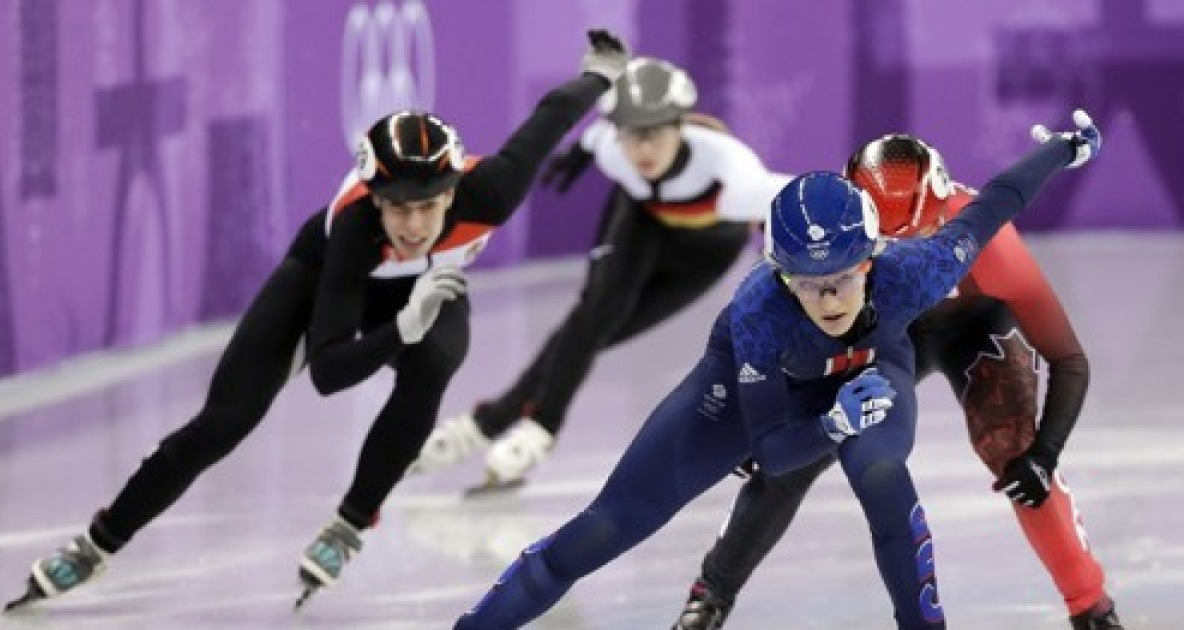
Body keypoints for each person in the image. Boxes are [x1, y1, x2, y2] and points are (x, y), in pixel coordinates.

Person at [2, 29, 631, 612]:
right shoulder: (356, 229)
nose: (413, 225)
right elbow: (328, 374)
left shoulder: (491, 190)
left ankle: (353, 520)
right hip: (325, 280)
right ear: (374, 201)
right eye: (396, 208)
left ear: (453, 192)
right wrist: (400, 330)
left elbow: (552, 117)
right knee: (224, 422)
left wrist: (600, 74)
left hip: (429, 292)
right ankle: (98, 542)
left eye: (428, 206)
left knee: (436, 362)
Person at [452, 111, 1102, 630]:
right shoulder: (757, 314)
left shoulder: (918, 270)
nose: (830, 300)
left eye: (844, 278)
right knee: (605, 527)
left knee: (879, 471)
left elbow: (997, 199)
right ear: (779, 274)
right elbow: (772, 453)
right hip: (766, 388)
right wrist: (831, 423)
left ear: (873, 258)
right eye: (809, 284)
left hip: (871, 372)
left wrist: (1067, 148)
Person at [671, 134, 1124, 630]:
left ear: (945, 216)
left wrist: (1044, 454)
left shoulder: (990, 241)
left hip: (972, 326)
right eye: (882, 247)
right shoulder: (833, 238)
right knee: (797, 453)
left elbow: (1068, 358)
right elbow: (770, 324)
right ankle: (712, 592)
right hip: (884, 331)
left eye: (921, 237)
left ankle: (1091, 606)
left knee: (1016, 451)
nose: (907, 260)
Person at [408, 57, 790, 491]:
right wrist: (577, 154)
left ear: (681, 124)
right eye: (629, 133)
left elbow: (804, 196)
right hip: (641, 223)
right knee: (592, 318)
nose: (641, 149)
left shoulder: (732, 171)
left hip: (706, 253)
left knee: (596, 331)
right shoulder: (612, 148)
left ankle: (490, 420)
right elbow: (595, 137)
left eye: (653, 133)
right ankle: (539, 430)